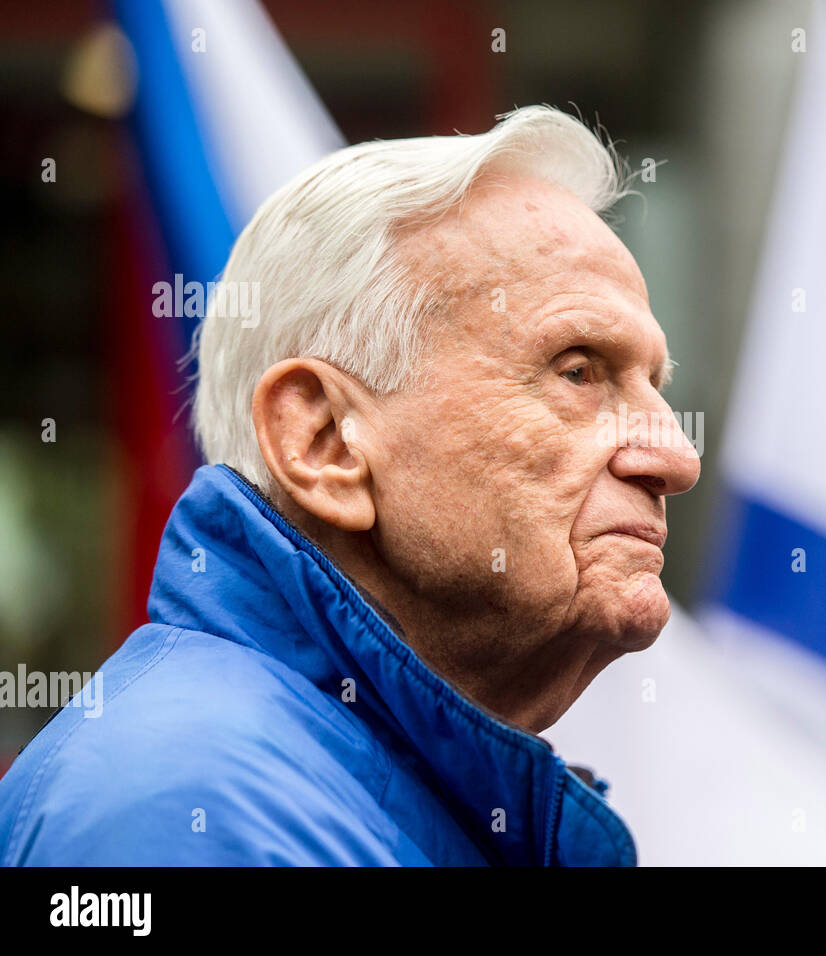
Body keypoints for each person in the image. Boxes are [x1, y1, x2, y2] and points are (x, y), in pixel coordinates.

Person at [0, 106, 700, 865]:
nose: (675, 458)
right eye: (578, 371)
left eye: (655, 384)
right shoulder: (186, 813)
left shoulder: (328, 791)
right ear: (324, 442)